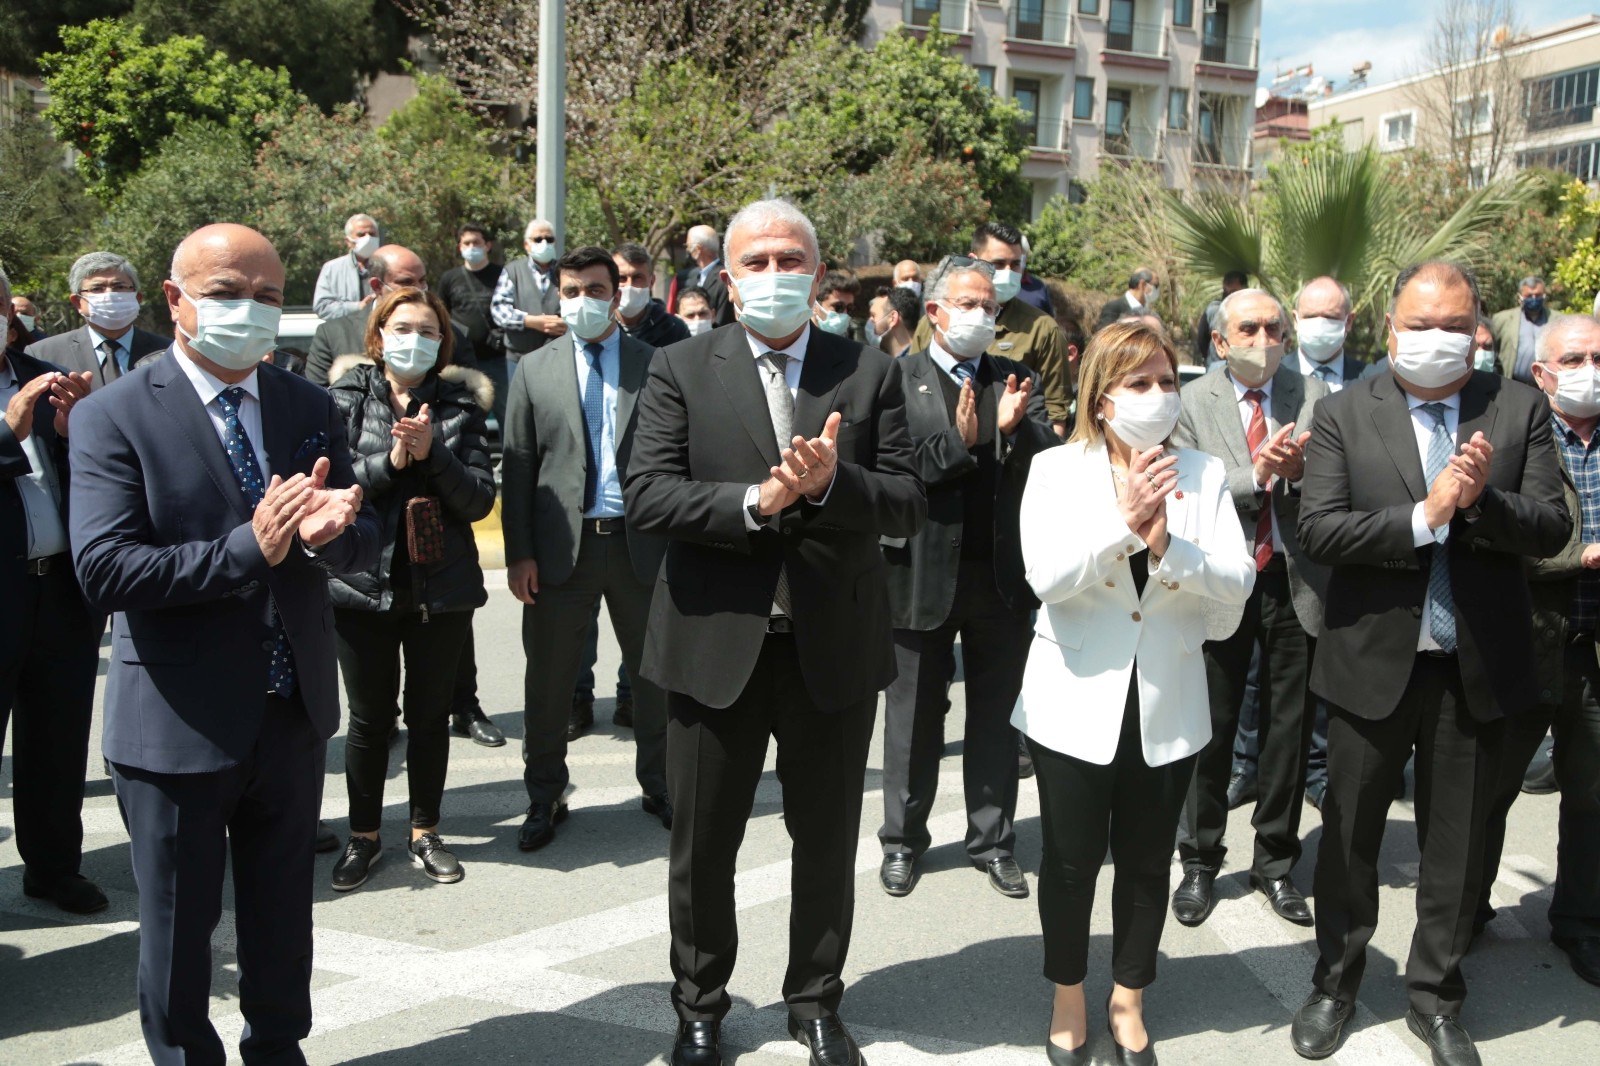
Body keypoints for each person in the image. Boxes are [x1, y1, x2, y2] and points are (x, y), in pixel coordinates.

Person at [68, 223, 379, 1066]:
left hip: (290, 710)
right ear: (176, 301)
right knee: (178, 931)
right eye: (229, 294)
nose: (252, 311)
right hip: (176, 723)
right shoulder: (112, 415)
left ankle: (278, 1048)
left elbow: (359, 535)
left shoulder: (307, 406)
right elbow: (104, 570)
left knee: (283, 915)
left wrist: (330, 535)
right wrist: (254, 545)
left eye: (270, 297)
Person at [625, 198, 924, 1066]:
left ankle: (816, 1001)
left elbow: (907, 500)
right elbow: (646, 494)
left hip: (830, 645)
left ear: (818, 274)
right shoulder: (680, 366)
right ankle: (700, 1006)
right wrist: (759, 502)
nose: (772, 275)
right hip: (712, 643)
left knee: (825, 839)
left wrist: (833, 487)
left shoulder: (867, 372)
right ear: (727, 277)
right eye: (754, 261)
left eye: (790, 259)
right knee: (703, 842)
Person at [1290, 261, 1570, 1065]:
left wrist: (1481, 503)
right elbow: (1322, 531)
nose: (1437, 340)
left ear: (1479, 330)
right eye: (1420, 325)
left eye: (1454, 326)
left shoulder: (1517, 407)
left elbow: (1549, 526)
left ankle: (1437, 996)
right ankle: (1334, 982)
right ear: (1389, 329)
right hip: (1370, 663)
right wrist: (1425, 515)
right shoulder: (1346, 411)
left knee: (1456, 844)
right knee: (1349, 839)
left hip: (1474, 666)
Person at [1015, 319, 1254, 1065]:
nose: (1157, 395)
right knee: (1068, 859)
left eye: (1166, 381)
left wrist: (1166, 546)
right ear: (1102, 394)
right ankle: (1065, 992)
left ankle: (1129, 995)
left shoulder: (1205, 473)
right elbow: (1047, 577)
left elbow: (1235, 585)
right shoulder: (1057, 469)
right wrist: (1124, 526)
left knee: (1150, 860)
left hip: (1166, 697)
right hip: (1072, 699)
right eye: (1138, 382)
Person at [877, 260, 1057, 901]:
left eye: (990, 305)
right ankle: (902, 841)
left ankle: (993, 840)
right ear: (934, 312)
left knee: (996, 719)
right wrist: (972, 438)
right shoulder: (897, 378)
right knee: (914, 717)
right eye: (968, 303)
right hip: (921, 574)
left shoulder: (1014, 378)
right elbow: (903, 469)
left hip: (999, 576)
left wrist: (1019, 429)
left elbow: (1042, 457)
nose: (982, 314)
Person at [322, 287, 496, 891]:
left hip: (439, 589)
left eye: (427, 330)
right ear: (377, 336)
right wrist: (392, 461)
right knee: (370, 720)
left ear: (442, 343)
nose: (414, 339)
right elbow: (332, 489)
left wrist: (433, 455)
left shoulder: (460, 407)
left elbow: (478, 499)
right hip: (360, 586)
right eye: (402, 328)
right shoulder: (342, 399)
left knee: (428, 718)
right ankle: (364, 836)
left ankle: (425, 830)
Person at [502, 245, 673, 850]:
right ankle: (544, 797)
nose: (584, 301)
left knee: (654, 676)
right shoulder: (534, 368)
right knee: (548, 684)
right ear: (557, 296)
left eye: (596, 290)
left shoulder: (656, 364)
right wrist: (519, 553)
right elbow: (518, 467)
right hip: (558, 555)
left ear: (617, 293)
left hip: (639, 548)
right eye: (572, 291)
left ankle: (660, 784)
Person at [1169, 289, 1329, 931]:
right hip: (1218, 579)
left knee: (1288, 730)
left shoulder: (1313, 394)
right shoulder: (1190, 402)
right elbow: (1184, 484)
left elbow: (1336, 476)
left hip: (1295, 581)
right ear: (1220, 341)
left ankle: (1275, 863)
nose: (1265, 338)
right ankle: (1201, 858)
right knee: (1210, 724)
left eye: (1275, 327)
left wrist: (1297, 471)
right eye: (1250, 328)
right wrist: (1256, 476)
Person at [1474, 313, 1600, 986]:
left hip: (1591, 649)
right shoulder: (1512, 435)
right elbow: (1496, 538)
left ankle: (1581, 922)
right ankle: (1465, 911)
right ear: (1544, 373)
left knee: (1591, 796)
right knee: (1489, 791)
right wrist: (1579, 558)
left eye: (1599, 357)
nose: (1591, 371)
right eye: (1576, 359)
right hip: (1524, 640)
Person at [1, 265, 103, 914]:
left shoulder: (37, 371)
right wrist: (6, 434)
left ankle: (54, 868)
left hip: (59, 589)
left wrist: (73, 434)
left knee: (59, 742)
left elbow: (72, 478)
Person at [912, 223, 1074, 435]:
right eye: (998, 263)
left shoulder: (1043, 329)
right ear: (974, 259)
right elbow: (913, 383)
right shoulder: (934, 322)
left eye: (1016, 264)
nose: (1008, 273)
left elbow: (1055, 416)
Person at [305, 245, 479, 388]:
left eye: (422, 280)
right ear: (376, 285)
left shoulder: (454, 333)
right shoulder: (333, 334)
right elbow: (316, 401)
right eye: (406, 282)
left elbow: (470, 399)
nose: (418, 289)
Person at [24, 251, 170, 390]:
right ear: (77, 302)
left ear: (137, 298)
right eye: (97, 288)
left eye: (119, 286)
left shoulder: (169, 351)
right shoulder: (43, 354)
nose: (110, 295)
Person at [437, 223, 509, 424]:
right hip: (463, 360)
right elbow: (442, 315)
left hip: (498, 358)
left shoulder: (503, 275)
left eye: (476, 242)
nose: (471, 247)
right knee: (464, 413)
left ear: (487, 245)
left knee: (506, 411)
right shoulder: (449, 278)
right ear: (460, 247)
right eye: (466, 243)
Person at [490, 218, 567, 360]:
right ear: (527, 244)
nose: (544, 243)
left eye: (549, 239)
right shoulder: (513, 270)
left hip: (557, 356)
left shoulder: (565, 271)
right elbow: (499, 309)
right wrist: (529, 321)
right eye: (538, 239)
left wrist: (565, 322)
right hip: (519, 357)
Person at [615, 242, 690, 348]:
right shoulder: (598, 329)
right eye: (622, 278)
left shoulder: (675, 330)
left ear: (651, 282)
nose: (629, 285)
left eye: (638, 278)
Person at [313, 213, 383, 321]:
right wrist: (358, 307)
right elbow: (322, 307)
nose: (368, 238)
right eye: (361, 234)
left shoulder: (390, 266)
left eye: (372, 234)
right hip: (346, 334)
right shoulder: (332, 269)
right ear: (348, 241)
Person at [1491, 275, 1553, 385]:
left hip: (1547, 384)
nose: (1534, 299)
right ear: (1520, 297)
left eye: (1537, 295)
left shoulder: (1558, 320)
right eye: (1529, 295)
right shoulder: (1502, 319)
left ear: (1544, 296)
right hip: (1514, 384)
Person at [671, 224, 735, 325]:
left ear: (698, 249)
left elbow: (723, 320)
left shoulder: (723, 278)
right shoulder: (694, 277)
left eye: (688, 246)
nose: (687, 250)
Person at [1193, 271, 1248, 367]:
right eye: (1227, 291)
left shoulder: (1252, 311)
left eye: (1234, 292)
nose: (1230, 295)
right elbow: (1202, 339)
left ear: (1244, 289)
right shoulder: (1214, 309)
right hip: (1217, 365)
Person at [868, 285, 920, 358]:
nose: (870, 320)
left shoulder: (911, 366)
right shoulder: (921, 357)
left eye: (873, 315)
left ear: (893, 318)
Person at [1015, 235, 1056, 317]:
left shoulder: (1039, 286)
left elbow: (1049, 319)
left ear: (1026, 256)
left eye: (1021, 252)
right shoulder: (994, 282)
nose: (1017, 256)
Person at [813, 270, 860, 337]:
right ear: (816, 305)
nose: (845, 314)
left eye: (850, 308)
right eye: (839, 307)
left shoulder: (850, 338)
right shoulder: (797, 338)